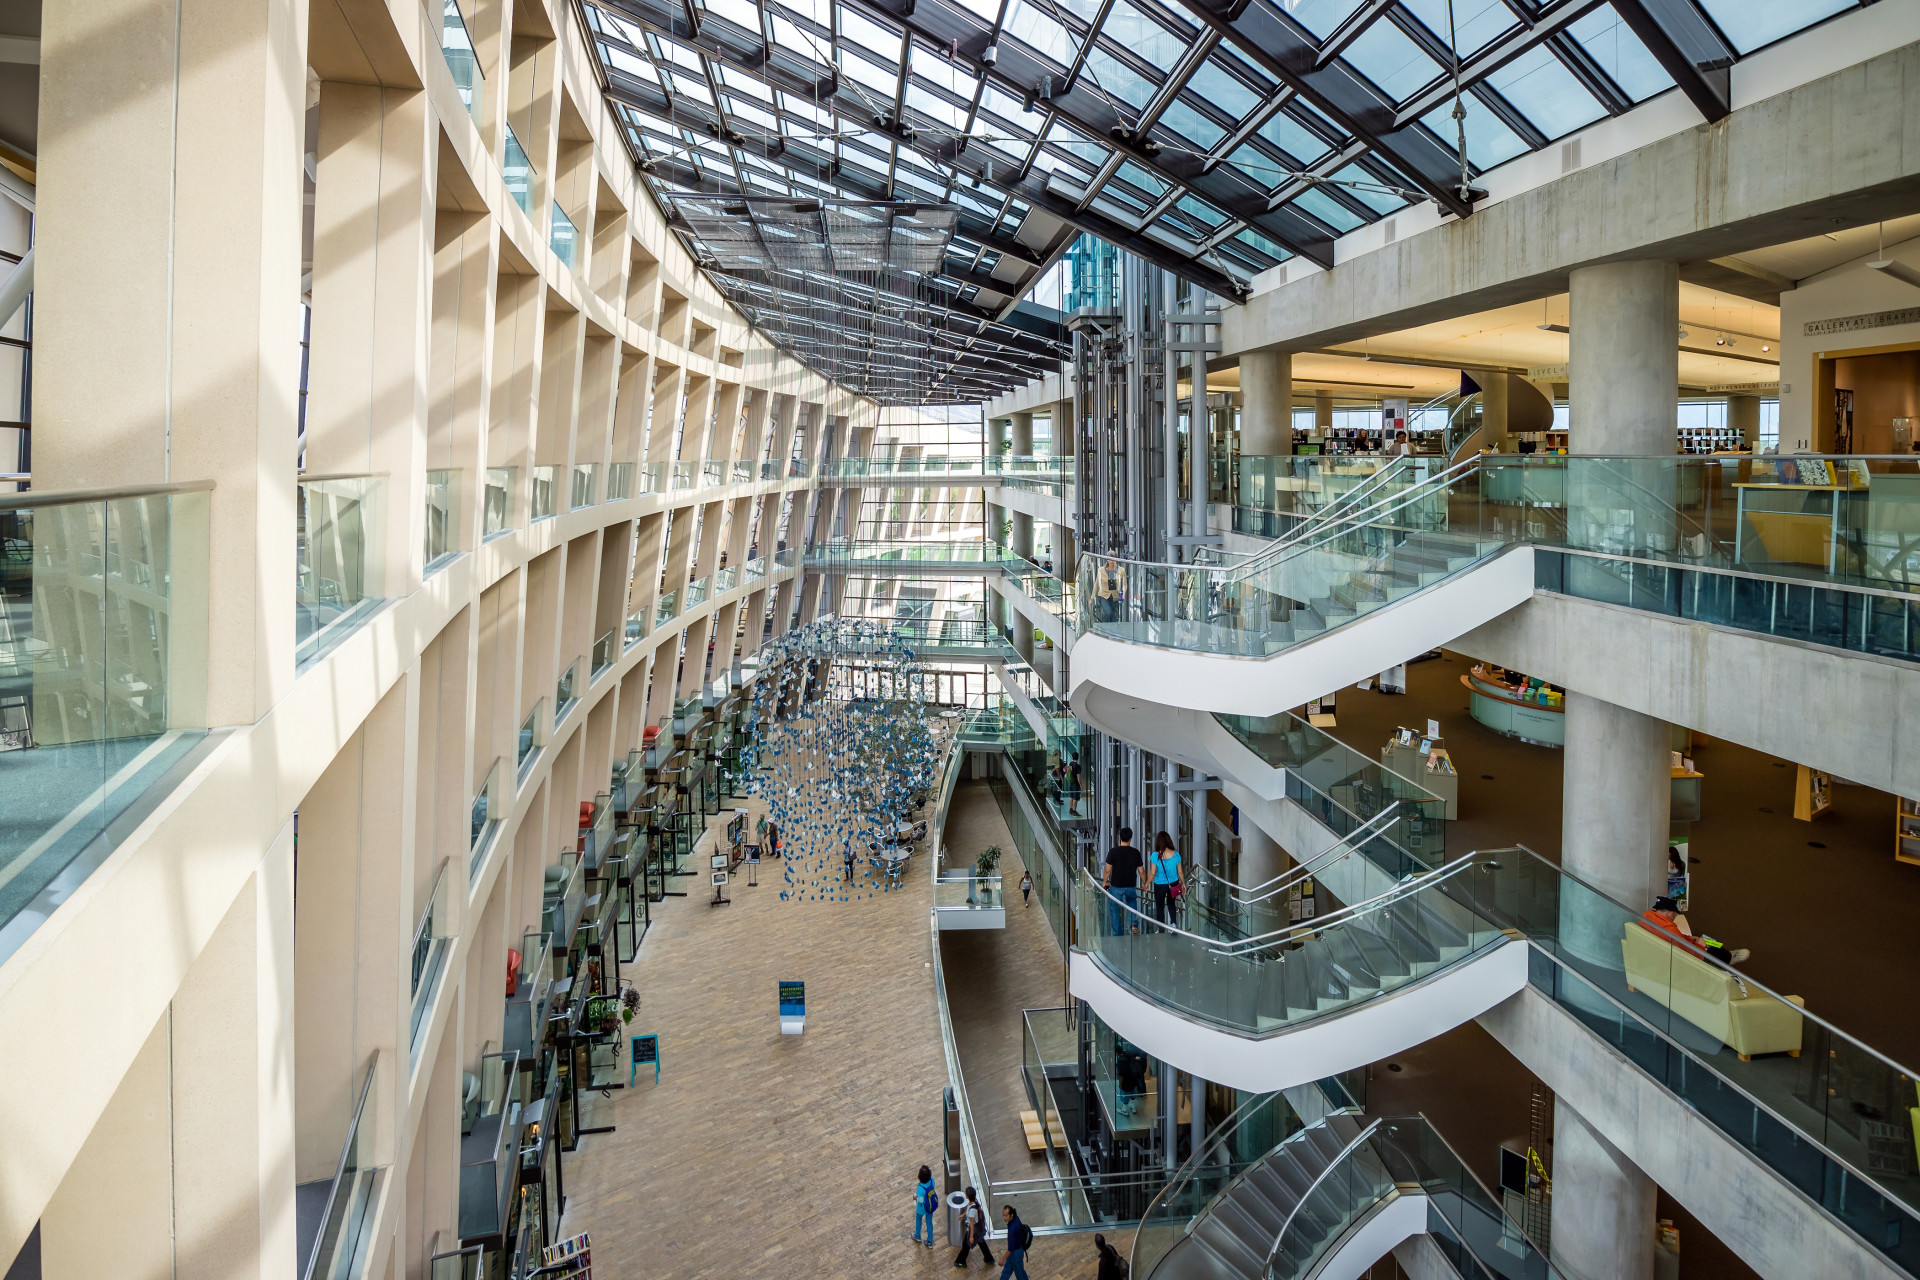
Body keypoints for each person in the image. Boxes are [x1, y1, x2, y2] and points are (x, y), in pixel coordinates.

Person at [1641, 896, 1750, 965]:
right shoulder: (1670, 929)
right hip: (1687, 957)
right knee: (1707, 943)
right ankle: (1729, 957)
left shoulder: (1648, 916)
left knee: (1701, 938)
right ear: (1669, 912)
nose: (1675, 916)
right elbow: (1689, 952)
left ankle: (1725, 952)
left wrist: (1688, 938)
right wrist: (1701, 946)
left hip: (1669, 948)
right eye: (1675, 913)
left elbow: (1676, 938)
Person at [1104, 826, 1144, 936]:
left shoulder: (1113, 852)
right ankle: (1133, 924)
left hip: (1116, 885)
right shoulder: (1135, 853)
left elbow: (1107, 870)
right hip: (1131, 884)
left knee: (1114, 908)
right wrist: (1145, 883)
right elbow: (1141, 871)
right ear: (1131, 838)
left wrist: (1105, 882)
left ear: (1119, 837)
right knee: (1132, 902)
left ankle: (1117, 933)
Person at [953, 1186, 993, 1268]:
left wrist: (971, 1237)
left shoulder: (972, 1210)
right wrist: (963, 1215)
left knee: (965, 1247)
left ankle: (960, 1261)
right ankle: (989, 1258)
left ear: (967, 1196)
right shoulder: (974, 1202)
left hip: (974, 1231)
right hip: (979, 1230)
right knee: (982, 1243)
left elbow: (971, 1223)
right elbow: (968, 1209)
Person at [1149, 830, 1181, 925]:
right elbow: (1180, 871)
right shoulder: (1176, 854)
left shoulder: (1155, 855)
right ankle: (1173, 924)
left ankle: (1161, 927)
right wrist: (1183, 883)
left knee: (1160, 906)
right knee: (1171, 904)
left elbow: (1152, 872)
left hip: (1159, 884)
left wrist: (1146, 883)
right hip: (1173, 883)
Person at [999, 1205, 1032, 1280]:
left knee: (1019, 1273)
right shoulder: (1016, 1219)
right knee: (1007, 1269)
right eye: (1003, 1215)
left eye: (1006, 1216)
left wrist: (1002, 1259)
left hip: (1016, 1253)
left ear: (1011, 1215)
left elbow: (1010, 1249)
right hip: (1016, 1251)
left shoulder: (1012, 1229)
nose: (1004, 1218)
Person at [914, 1165, 938, 1247]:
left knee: (918, 1218)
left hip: (922, 1208)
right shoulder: (931, 1180)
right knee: (929, 1222)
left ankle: (917, 1236)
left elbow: (920, 1200)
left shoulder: (920, 1187)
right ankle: (930, 1241)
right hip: (930, 1206)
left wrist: (915, 1197)